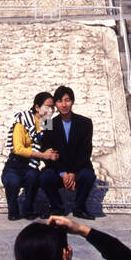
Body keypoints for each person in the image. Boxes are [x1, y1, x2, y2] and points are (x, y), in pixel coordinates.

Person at [39, 86, 98, 218]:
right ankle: (57, 208)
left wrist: (73, 173)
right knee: (45, 177)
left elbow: (85, 151)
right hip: (58, 170)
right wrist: (63, 173)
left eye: (67, 100)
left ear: (73, 101)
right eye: (60, 101)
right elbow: (47, 151)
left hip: (78, 168)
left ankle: (79, 208)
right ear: (55, 104)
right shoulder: (48, 123)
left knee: (88, 176)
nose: (64, 104)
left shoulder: (85, 123)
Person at [1, 92, 59, 221]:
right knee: (13, 181)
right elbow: (18, 149)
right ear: (37, 107)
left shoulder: (45, 122)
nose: (51, 110)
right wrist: (43, 155)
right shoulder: (22, 121)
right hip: (15, 164)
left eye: (52, 107)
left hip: (31, 164)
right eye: (47, 107)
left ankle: (28, 210)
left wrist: (51, 153)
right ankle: (13, 210)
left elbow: (46, 143)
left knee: (34, 177)